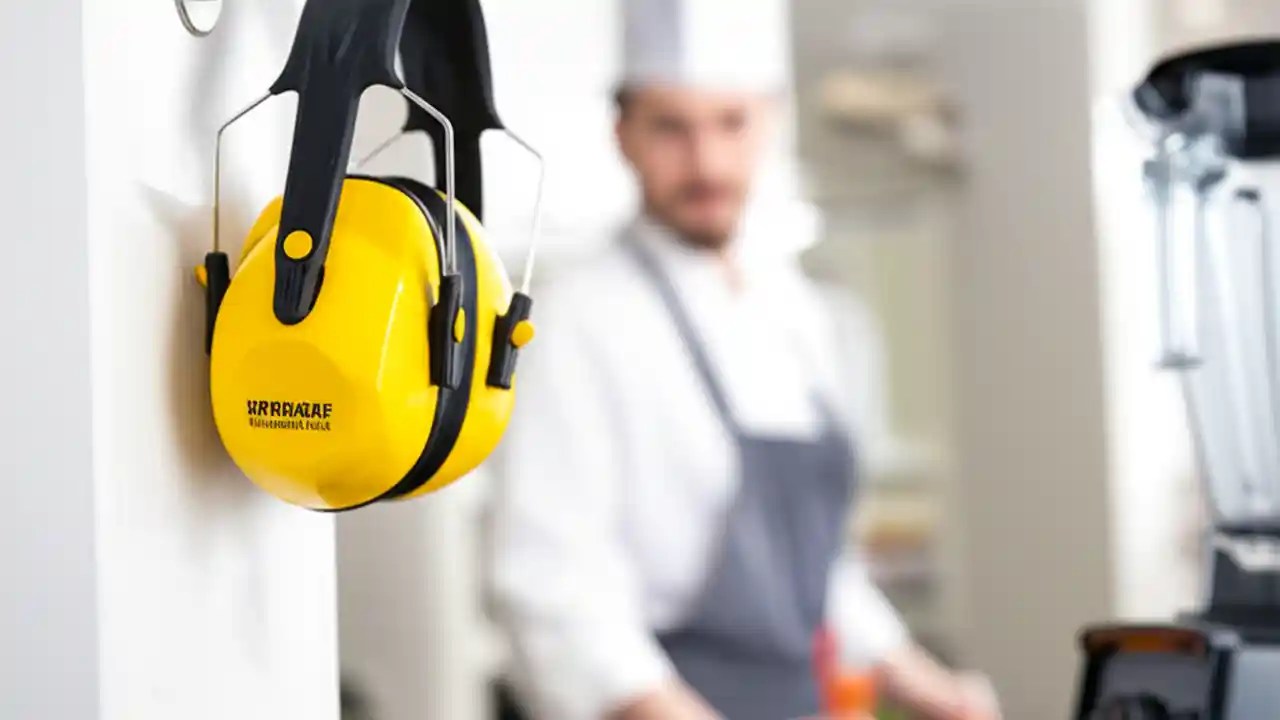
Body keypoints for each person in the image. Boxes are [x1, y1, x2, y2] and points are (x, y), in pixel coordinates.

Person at [487, 2, 1002, 719]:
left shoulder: (799, 314)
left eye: (730, 122)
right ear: (622, 133)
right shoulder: (580, 319)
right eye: (671, 126)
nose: (706, 162)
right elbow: (551, 585)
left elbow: (820, 574)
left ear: (771, 121)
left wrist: (933, 690)